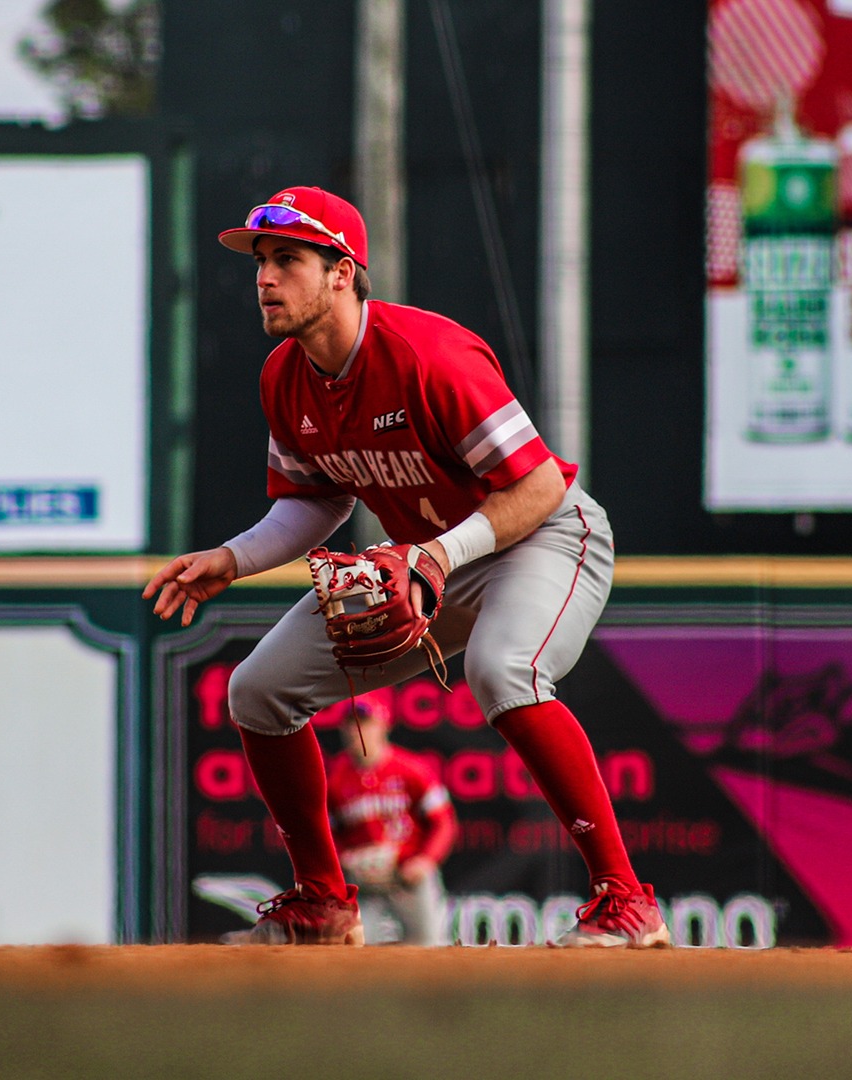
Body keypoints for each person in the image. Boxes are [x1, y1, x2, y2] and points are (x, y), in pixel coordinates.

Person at [143, 185, 669, 948]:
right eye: (259, 262)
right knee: (258, 691)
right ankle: (323, 903)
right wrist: (234, 557)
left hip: (543, 536)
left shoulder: (429, 356)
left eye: (287, 259)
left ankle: (626, 899)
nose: (264, 277)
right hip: (425, 560)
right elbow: (313, 502)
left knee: (503, 670)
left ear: (342, 273)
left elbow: (538, 485)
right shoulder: (283, 377)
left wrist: (435, 554)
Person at [324, 693, 456, 946]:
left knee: (429, 948)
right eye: (351, 724)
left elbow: (443, 823)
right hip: (362, 882)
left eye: (365, 723)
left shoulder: (413, 770)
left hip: (408, 876)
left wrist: (426, 860)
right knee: (356, 950)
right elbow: (326, 834)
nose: (357, 731)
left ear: (383, 724)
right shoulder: (334, 780)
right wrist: (341, 858)